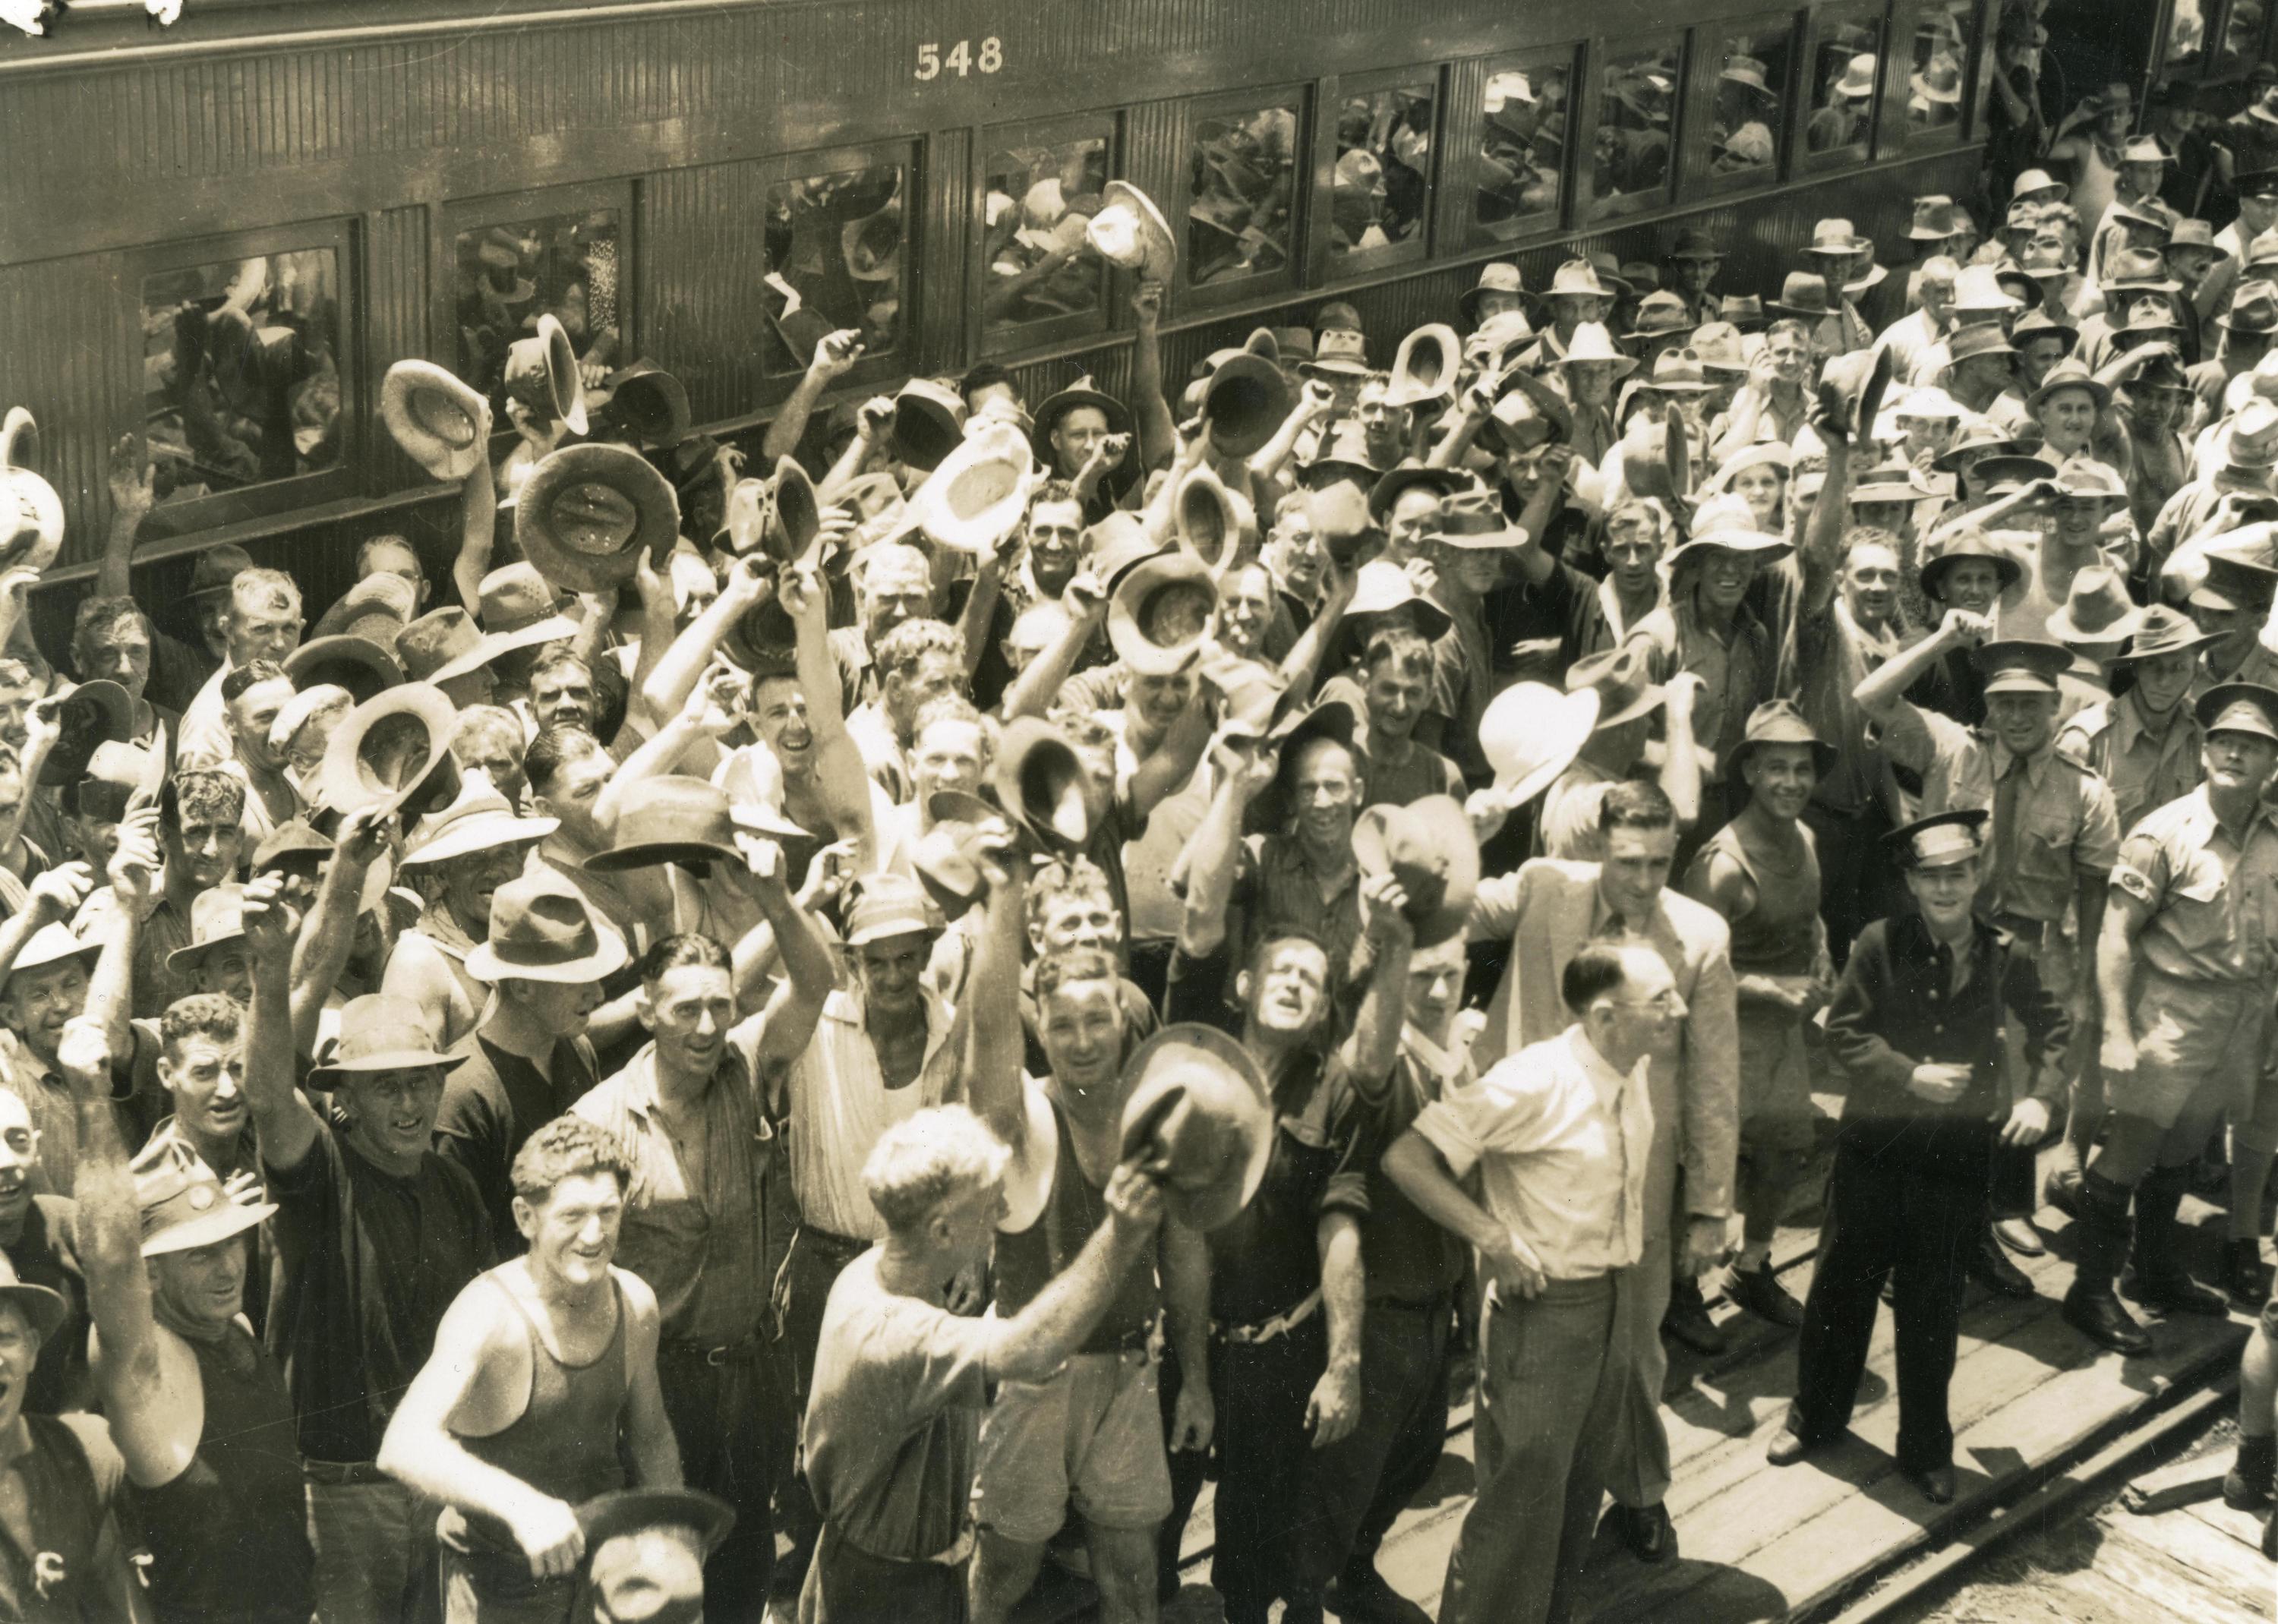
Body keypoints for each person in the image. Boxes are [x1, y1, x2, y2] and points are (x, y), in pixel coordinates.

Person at [1463, 781, 1737, 1554]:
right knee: (1504, 1339)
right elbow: (1441, 901)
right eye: (1626, 863)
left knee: (1633, 1345)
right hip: (1524, 1170)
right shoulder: (1545, 886)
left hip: (1632, 1180)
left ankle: (1641, 1492)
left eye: (1658, 863)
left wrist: (1710, 1207)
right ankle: (1508, 1500)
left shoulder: (1702, 937)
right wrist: (1468, 827)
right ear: (1599, 848)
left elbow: (1714, 1081)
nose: (1643, 882)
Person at [1768, 810, 2068, 1503]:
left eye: (1958, 873)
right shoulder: (1878, 942)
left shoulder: (2007, 953)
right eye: (1930, 876)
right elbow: (1842, 1030)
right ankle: (1813, 1418)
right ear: (1909, 881)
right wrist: (1907, 1074)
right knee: (1841, 1288)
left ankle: (1926, 1448)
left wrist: (2043, 1099)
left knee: (1933, 1304)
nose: (1945, 888)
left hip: (1956, 1162)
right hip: (1875, 1148)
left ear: (1977, 875)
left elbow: (2055, 1027)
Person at [570, 853, 837, 1620]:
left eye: (720, 1005)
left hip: (749, 1380)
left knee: (744, 1567)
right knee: (657, 1582)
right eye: (685, 1009)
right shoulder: (598, 1125)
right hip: (658, 1392)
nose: (707, 1026)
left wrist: (777, 900)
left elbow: (813, 985)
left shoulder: (744, 1068)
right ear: (647, 1012)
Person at [1384, 940, 1676, 1623]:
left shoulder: (1626, 1066)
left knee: (1575, 1497)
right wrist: (1491, 1236)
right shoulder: (1535, 1080)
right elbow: (1409, 1157)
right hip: (1543, 1317)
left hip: (1611, 1302)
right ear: (1606, 1016)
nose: (1676, 1010)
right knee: (1519, 1512)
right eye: (1660, 1000)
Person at [238, 870, 497, 1624]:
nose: (412, 1103)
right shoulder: (319, 1172)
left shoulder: (455, 1187)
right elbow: (264, 1095)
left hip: (441, 1480)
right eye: (388, 1088)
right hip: (343, 1495)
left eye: (422, 1082)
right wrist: (271, 965)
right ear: (344, 1094)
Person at [802, 1105, 1166, 1621]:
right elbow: (1031, 1347)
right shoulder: (897, 1336)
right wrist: (1122, 1233)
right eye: (988, 1207)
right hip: (889, 1594)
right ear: (943, 1231)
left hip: (879, 1566)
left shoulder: (871, 1274)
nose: (1001, 1215)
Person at [379, 1116, 680, 1624]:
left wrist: (673, 1542)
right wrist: (522, 1506)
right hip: (498, 1588)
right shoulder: (486, 1315)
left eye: (608, 1211)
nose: (594, 1234)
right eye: (573, 1215)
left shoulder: (634, 1302)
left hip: (599, 1578)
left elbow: (651, 1437)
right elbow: (403, 1444)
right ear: (525, 1217)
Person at [66, 1011, 316, 1622]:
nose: (229, 1267)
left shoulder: (238, 1330)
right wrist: (92, 1103)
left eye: (231, 1242)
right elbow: (108, 1258)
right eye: (199, 1254)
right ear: (150, 1274)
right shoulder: (145, 1368)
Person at [2068, 683, 2278, 1352]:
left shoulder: (2276, 838)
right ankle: (2090, 1291)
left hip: (2240, 1017)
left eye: (2255, 747)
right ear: (2207, 750)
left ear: (2273, 764)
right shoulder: (2163, 831)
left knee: (2188, 1148)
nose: (2237, 754)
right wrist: (2117, 1032)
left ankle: (2154, 1271)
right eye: (2226, 742)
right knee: (2132, 1146)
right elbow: (2115, 937)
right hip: (2170, 1011)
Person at [1683, 702, 1832, 1326]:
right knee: (1701, 1169)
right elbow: (1684, 968)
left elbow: (1811, 915)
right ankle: (1680, 1292)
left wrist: (1823, 954)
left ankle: (1751, 1267)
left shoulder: (1806, 838)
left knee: (1782, 1153)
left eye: (1801, 769)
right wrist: (1770, 989)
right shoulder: (1721, 867)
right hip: (1724, 1034)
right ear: (1749, 772)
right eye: (1776, 768)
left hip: (1783, 1035)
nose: (1790, 782)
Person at [438, 869, 626, 1247]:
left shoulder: (576, 1050)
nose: (599, 993)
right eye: (579, 982)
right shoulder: (463, 1094)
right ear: (522, 987)